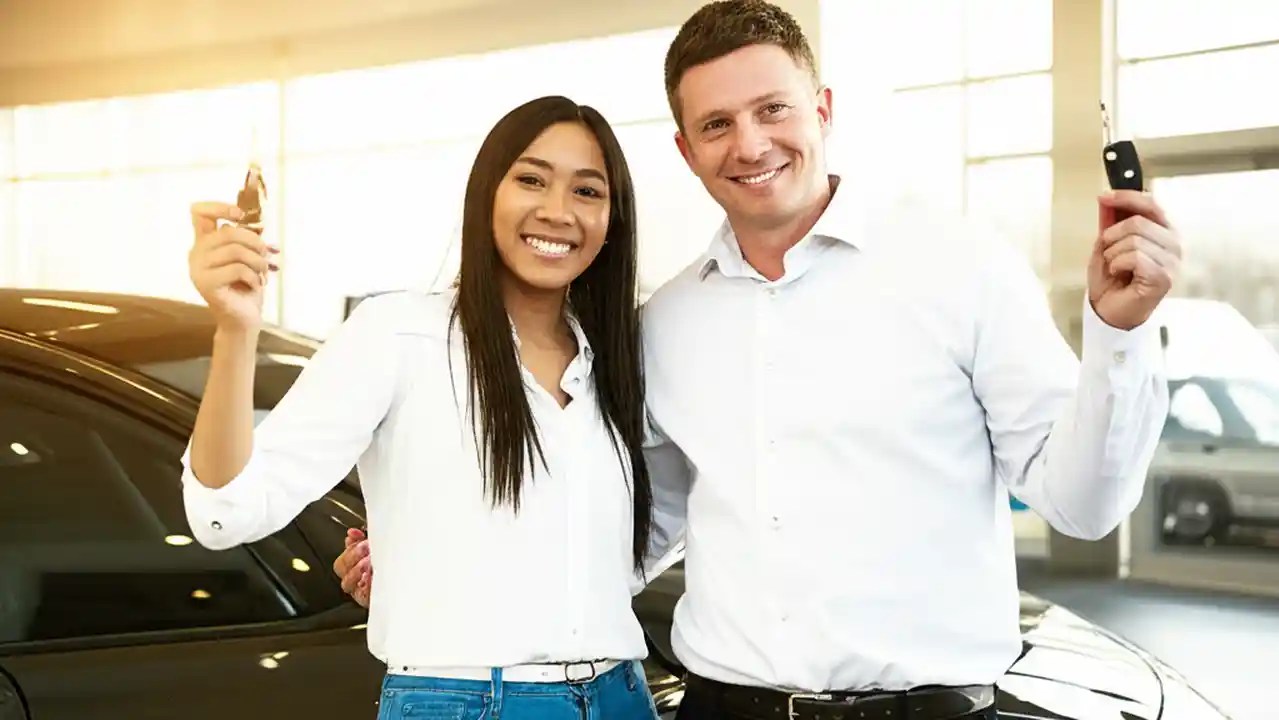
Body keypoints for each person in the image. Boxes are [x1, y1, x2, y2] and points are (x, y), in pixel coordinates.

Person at [335, 2, 1182, 719]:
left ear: (822, 109)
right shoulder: (666, 320)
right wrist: (430, 557)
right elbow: (632, 531)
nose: (749, 144)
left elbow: (1084, 505)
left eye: (771, 110)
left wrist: (1119, 334)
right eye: (716, 124)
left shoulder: (960, 265)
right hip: (721, 706)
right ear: (684, 148)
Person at [181, 95, 665, 720]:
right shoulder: (400, 334)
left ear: (613, 217)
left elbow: (643, 538)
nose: (557, 212)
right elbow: (228, 510)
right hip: (468, 701)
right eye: (532, 180)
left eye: (588, 192)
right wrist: (235, 330)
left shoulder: (618, 359)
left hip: (621, 697)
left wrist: (429, 556)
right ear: (487, 192)